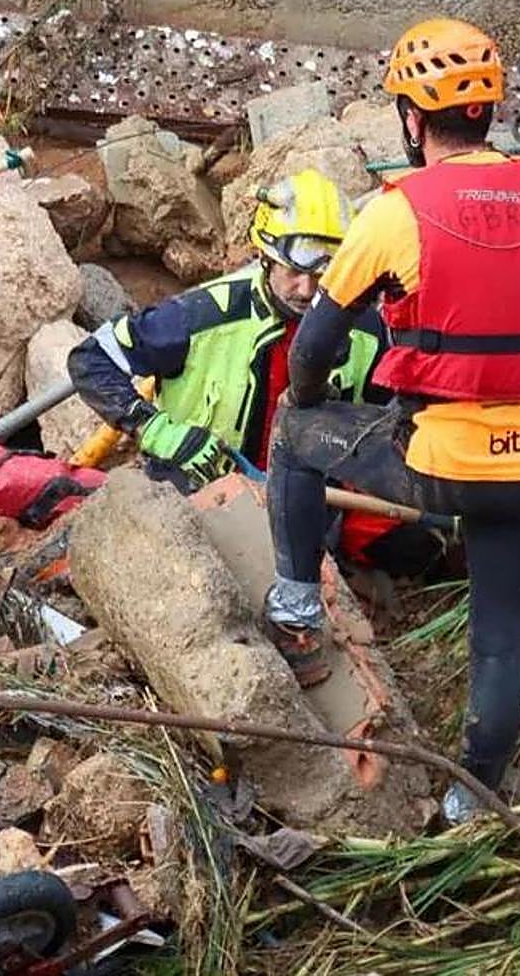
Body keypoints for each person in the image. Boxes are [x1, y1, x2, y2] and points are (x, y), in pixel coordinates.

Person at [262, 18, 520, 822]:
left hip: (434, 461)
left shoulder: (396, 213)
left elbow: (315, 345)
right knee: (501, 638)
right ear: (490, 110)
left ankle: (296, 613)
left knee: (296, 435)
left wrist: (309, 401)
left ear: (411, 121)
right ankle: (471, 802)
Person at [68, 170, 444, 678]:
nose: (306, 289)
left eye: (323, 274)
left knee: (423, 540)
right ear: (266, 253)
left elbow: (393, 420)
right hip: (204, 489)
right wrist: (157, 430)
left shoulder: (367, 331)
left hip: (311, 501)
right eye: (292, 270)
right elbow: (91, 360)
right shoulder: (204, 313)